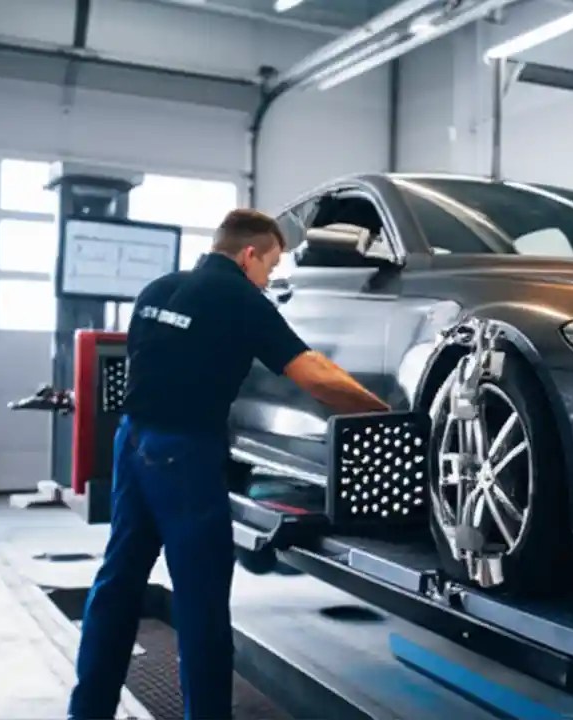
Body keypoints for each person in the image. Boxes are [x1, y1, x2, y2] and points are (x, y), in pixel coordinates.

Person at [68, 208, 389, 720]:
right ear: (249, 254)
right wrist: (389, 415)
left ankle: (87, 712)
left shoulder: (156, 289)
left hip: (132, 446)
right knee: (202, 606)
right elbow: (318, 377)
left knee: (118, 585)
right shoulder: (240, 298)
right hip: (185, 456)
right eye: (271, 265)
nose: (271, 279)